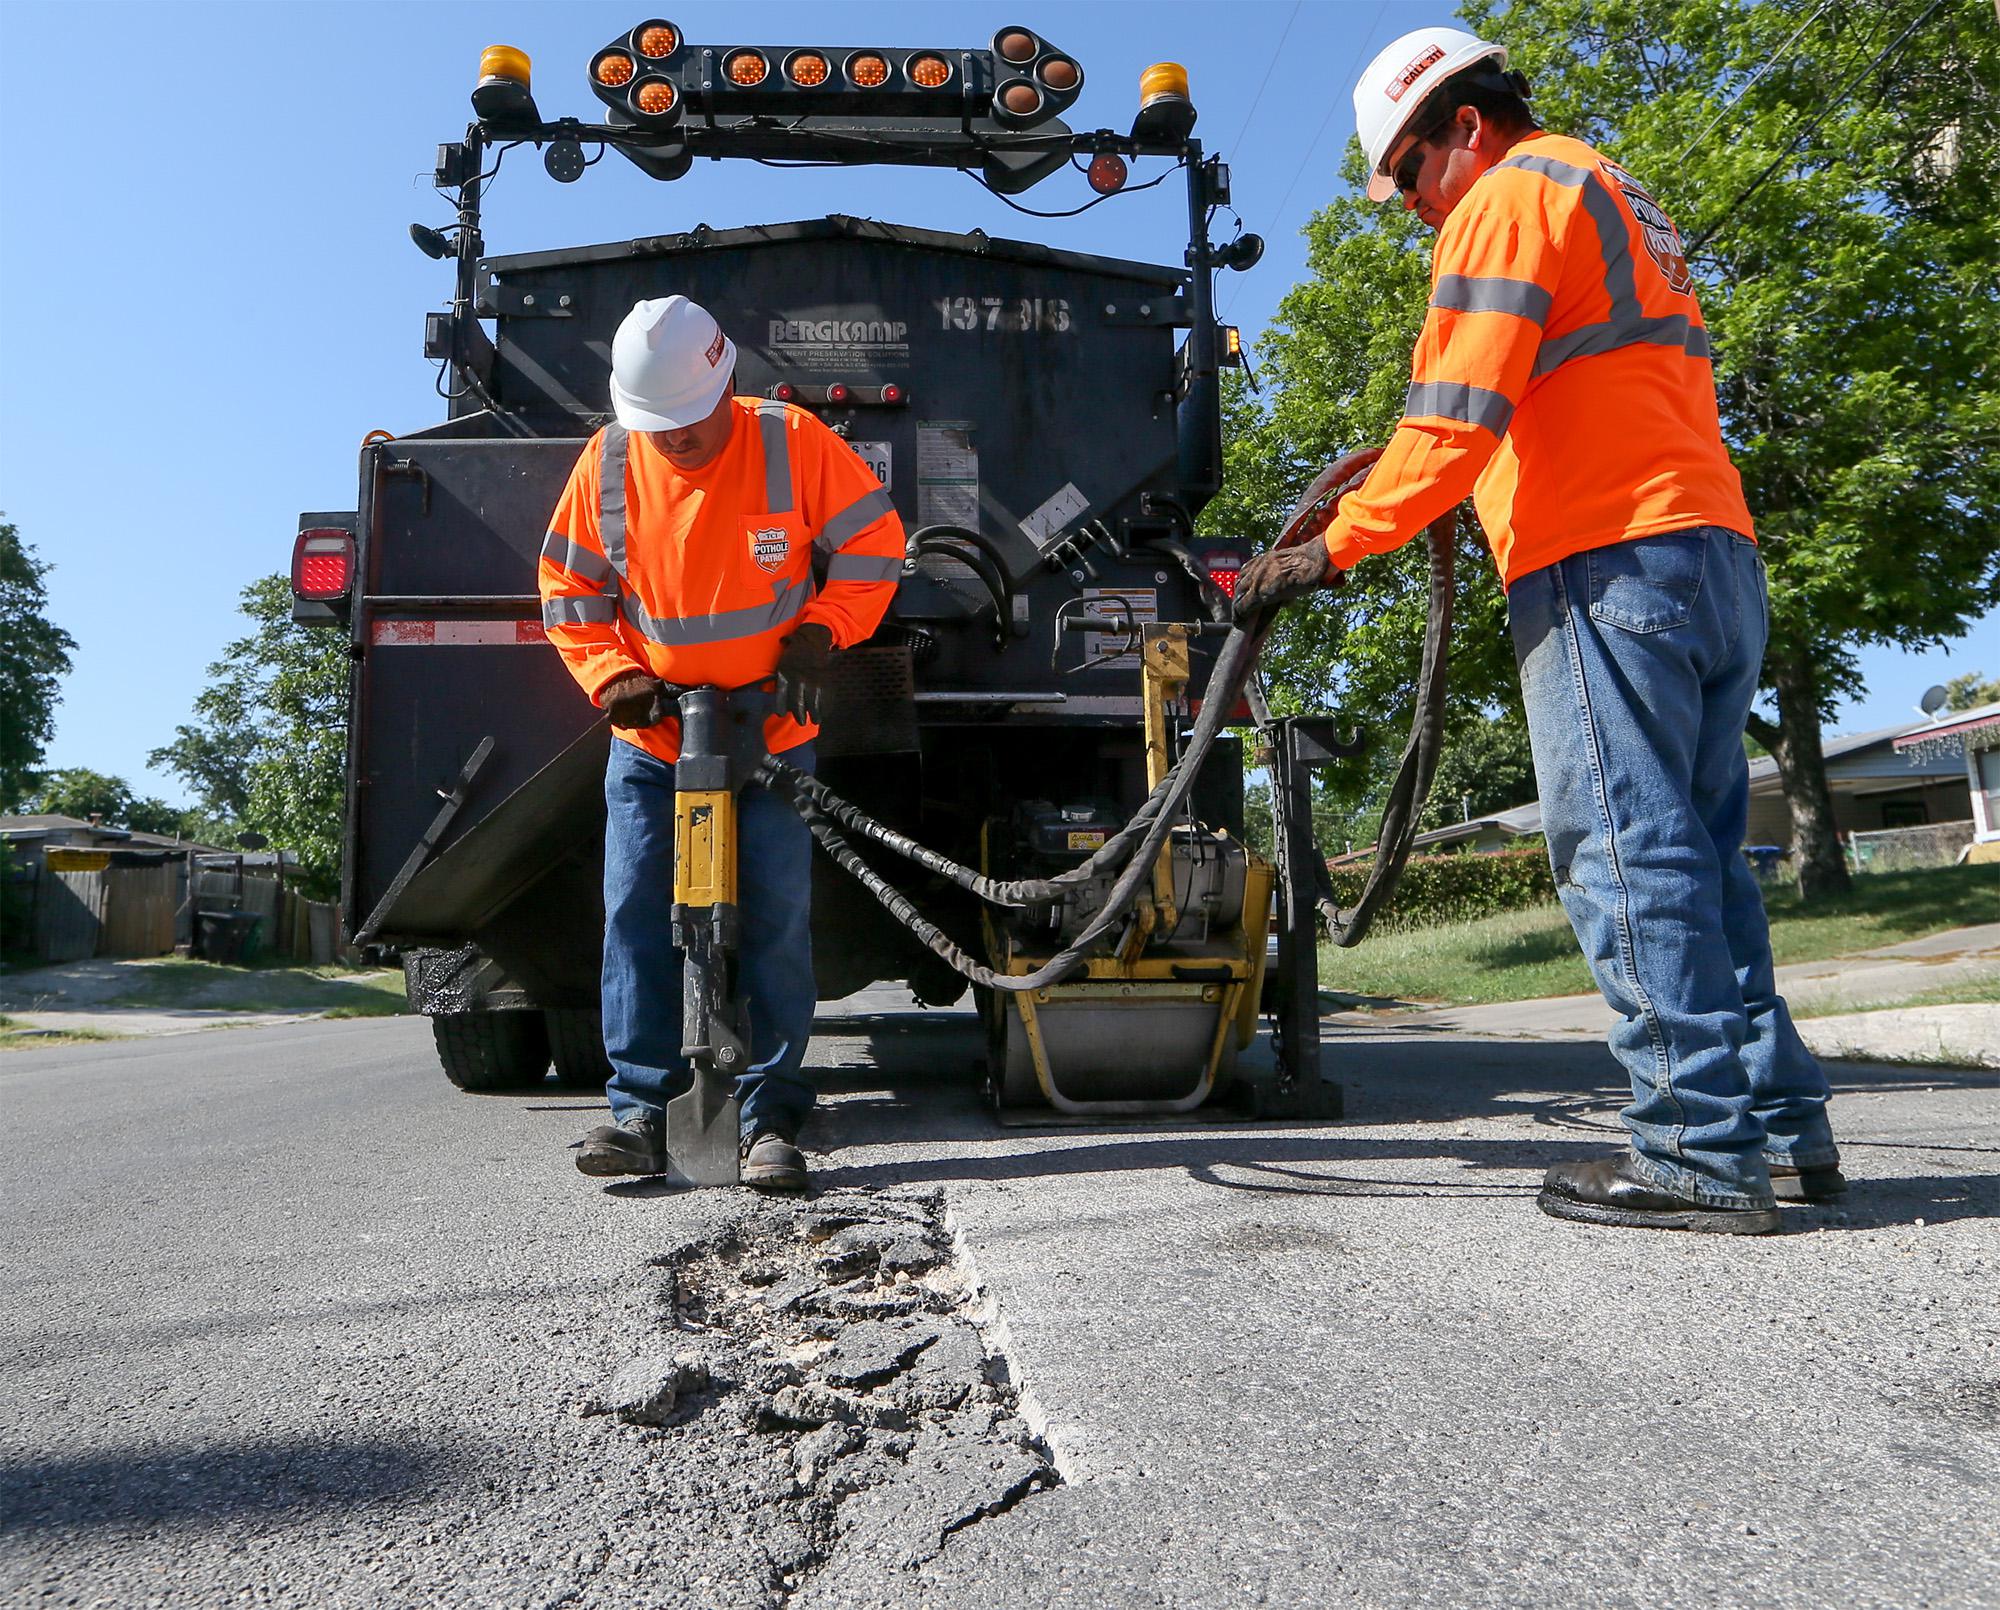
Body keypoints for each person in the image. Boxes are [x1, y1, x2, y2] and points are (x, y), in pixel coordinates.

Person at [1233, 27, 1842, 1234]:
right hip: (1707, 548)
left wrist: (1326, 546)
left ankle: (1691, 1152)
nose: (1408, 208)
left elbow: (1449, 419)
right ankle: (1777, 1135)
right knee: (1703, 862)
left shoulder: (1504, 196)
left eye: (1405, 176)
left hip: (1599, 553)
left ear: (1461, 127)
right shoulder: (1607, 187)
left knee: (1622, 850)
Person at [538, 295, 903, 1192]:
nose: (675, 441)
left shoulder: (791, 440)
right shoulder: (610, 461)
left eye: (690, 423)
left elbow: (874, 543)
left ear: (726, 384)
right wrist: (610, 675)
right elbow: (569, 586)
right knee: (634, 916)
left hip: (770, 727)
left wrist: (824, 632)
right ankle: (637, 1112)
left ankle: (772, 1111)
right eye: (656, 425)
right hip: (657, 732)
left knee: (777, 919)